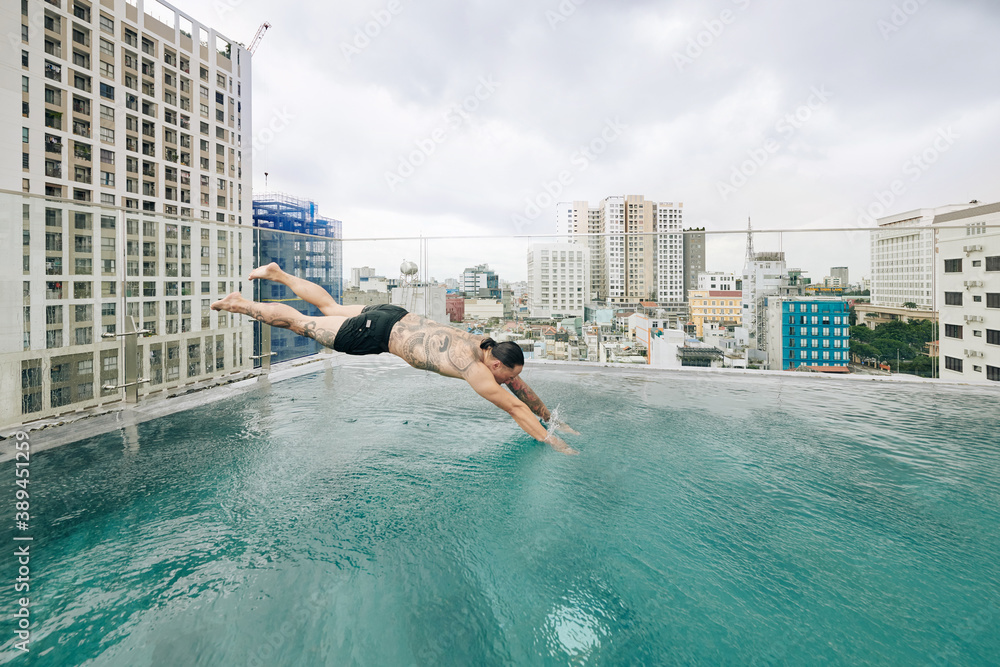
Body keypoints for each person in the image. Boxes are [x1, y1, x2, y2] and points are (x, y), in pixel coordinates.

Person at [211, 263, 579, 454]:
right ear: (494, 364)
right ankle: (240, 304)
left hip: (394, 313)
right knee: (300, 322)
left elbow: (519, 387)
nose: (503, 382)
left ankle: (277, 273)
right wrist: (551, 443)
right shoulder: (476, 371)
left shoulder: (485, 344)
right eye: (502, 376)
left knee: (330, 306)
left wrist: (551, 419)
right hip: (376, 333)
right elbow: (516, 409)